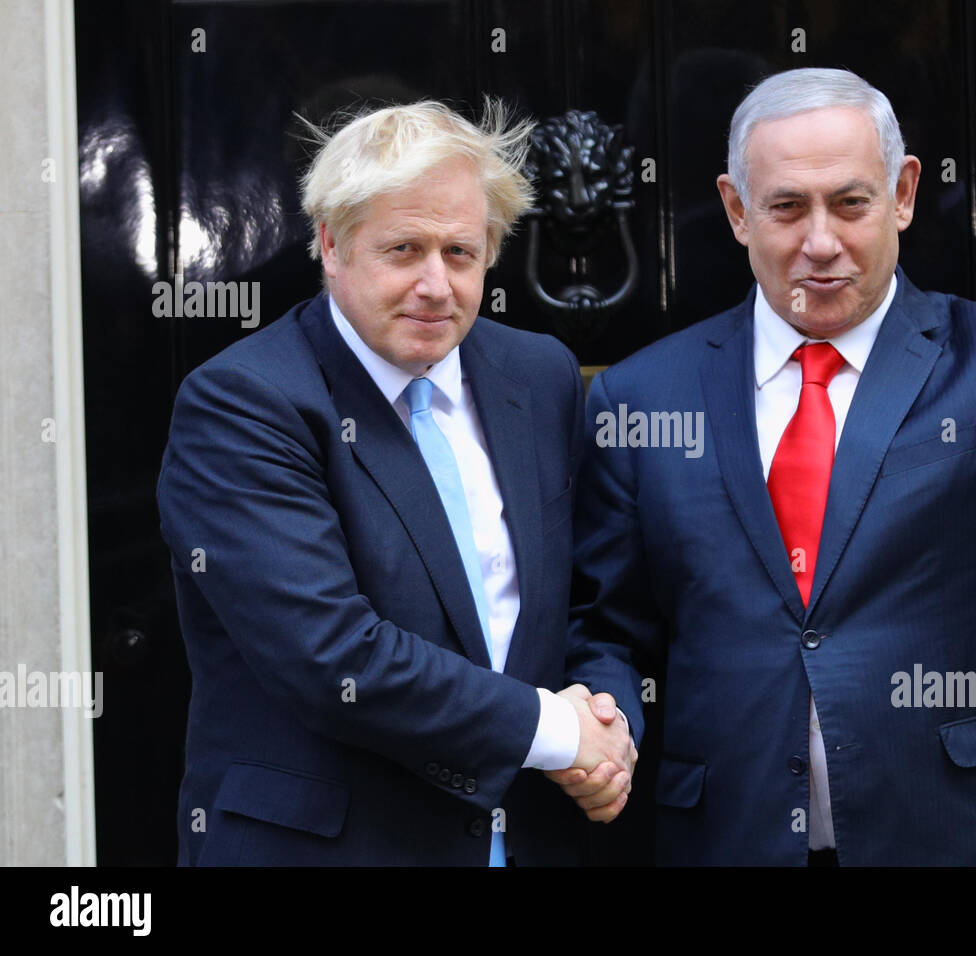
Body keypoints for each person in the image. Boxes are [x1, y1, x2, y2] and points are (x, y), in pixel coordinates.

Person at [559, 67, 976, 864]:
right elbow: (606, 628)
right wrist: (605, 718)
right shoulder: (642, 396)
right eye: (786, 207)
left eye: (850, 202)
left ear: (903, 194)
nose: (821, 242)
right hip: (735, 836)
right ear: (737, 210)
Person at [158, 99, 634, 866]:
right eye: (404, 249)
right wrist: (554, 732)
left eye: (460, 252)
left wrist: (610, 731)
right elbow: (331, 654)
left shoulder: (538, 375)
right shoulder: (244, 403)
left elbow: (591, 598)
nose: (436, 285)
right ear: (331, 246)